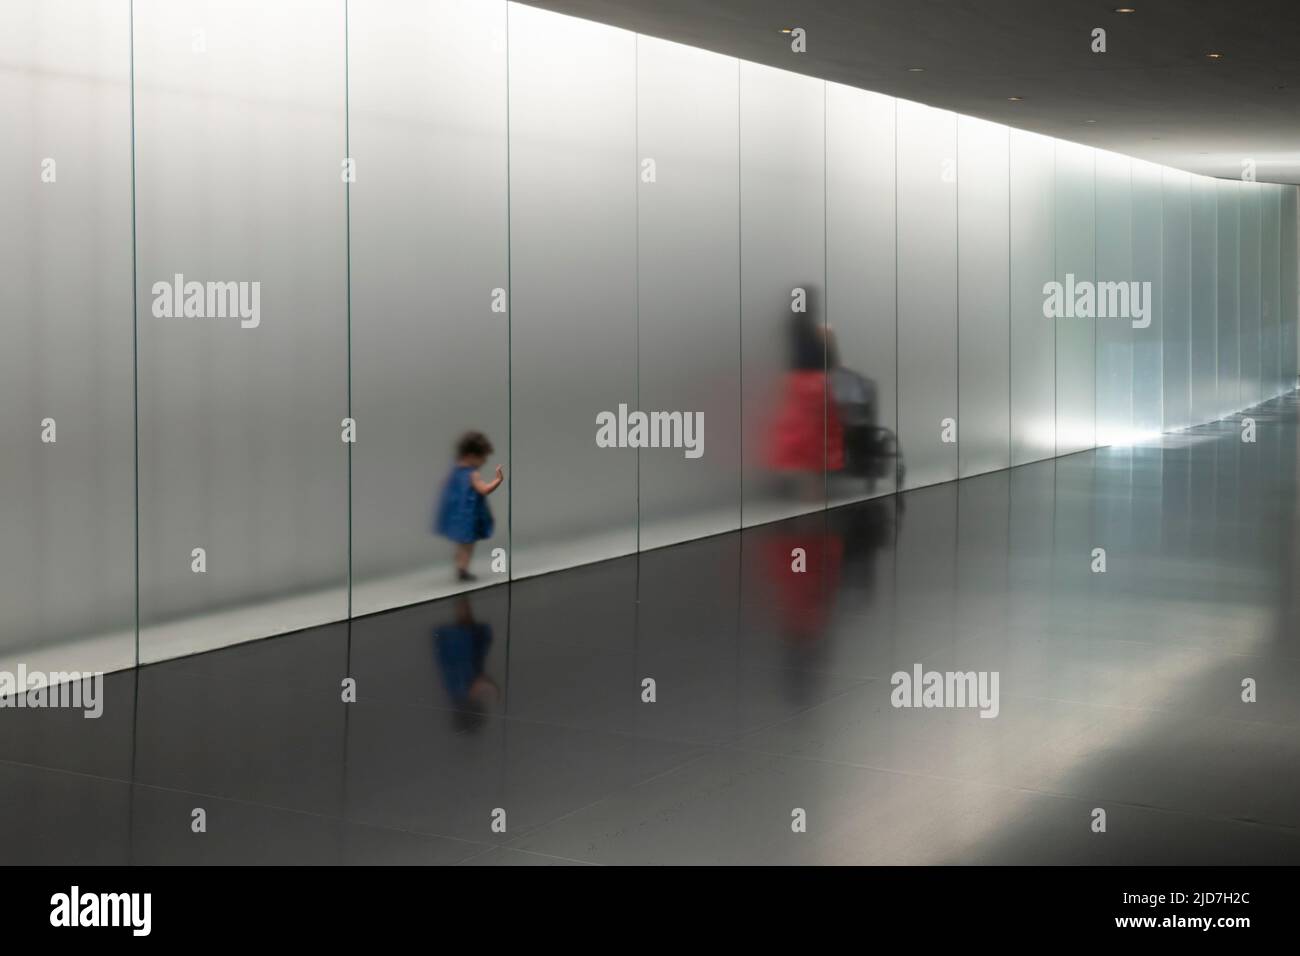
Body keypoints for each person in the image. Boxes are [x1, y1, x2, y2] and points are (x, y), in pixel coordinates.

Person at [434, 431, 505, 582]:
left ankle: (459, 566)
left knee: (461, 544)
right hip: (469, 515)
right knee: (468, 544)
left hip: (457, 514)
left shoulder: (455, 470)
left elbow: (445, 486)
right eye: (483, 457)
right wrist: (498, 480)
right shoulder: (472, 474)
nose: (484, 461)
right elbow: (484, 490)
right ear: (472, 455)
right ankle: (463, 570)